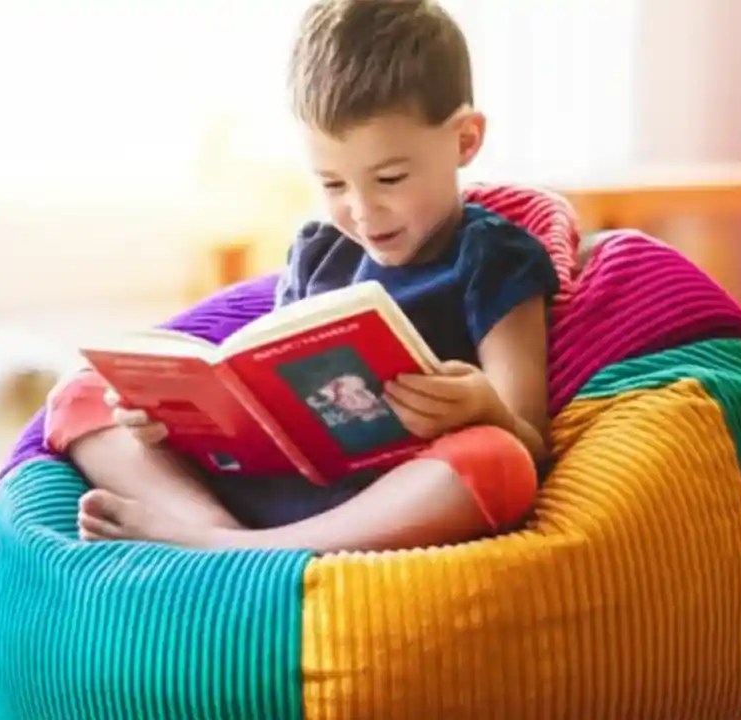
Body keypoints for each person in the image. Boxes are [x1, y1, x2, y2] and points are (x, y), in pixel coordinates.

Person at [44, 0, 560, 553]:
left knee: (498, 463)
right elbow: (260, 401)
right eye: (333, 184)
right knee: (80, 394)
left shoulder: (493, 258)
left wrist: (483, 408)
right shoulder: (320, 254)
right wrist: (169, 422)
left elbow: (529, 443)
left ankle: (226, 549)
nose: (363, 212)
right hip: (272, 486)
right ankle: (215, 531)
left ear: (464, 141)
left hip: (393, 500)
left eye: (389, 178)